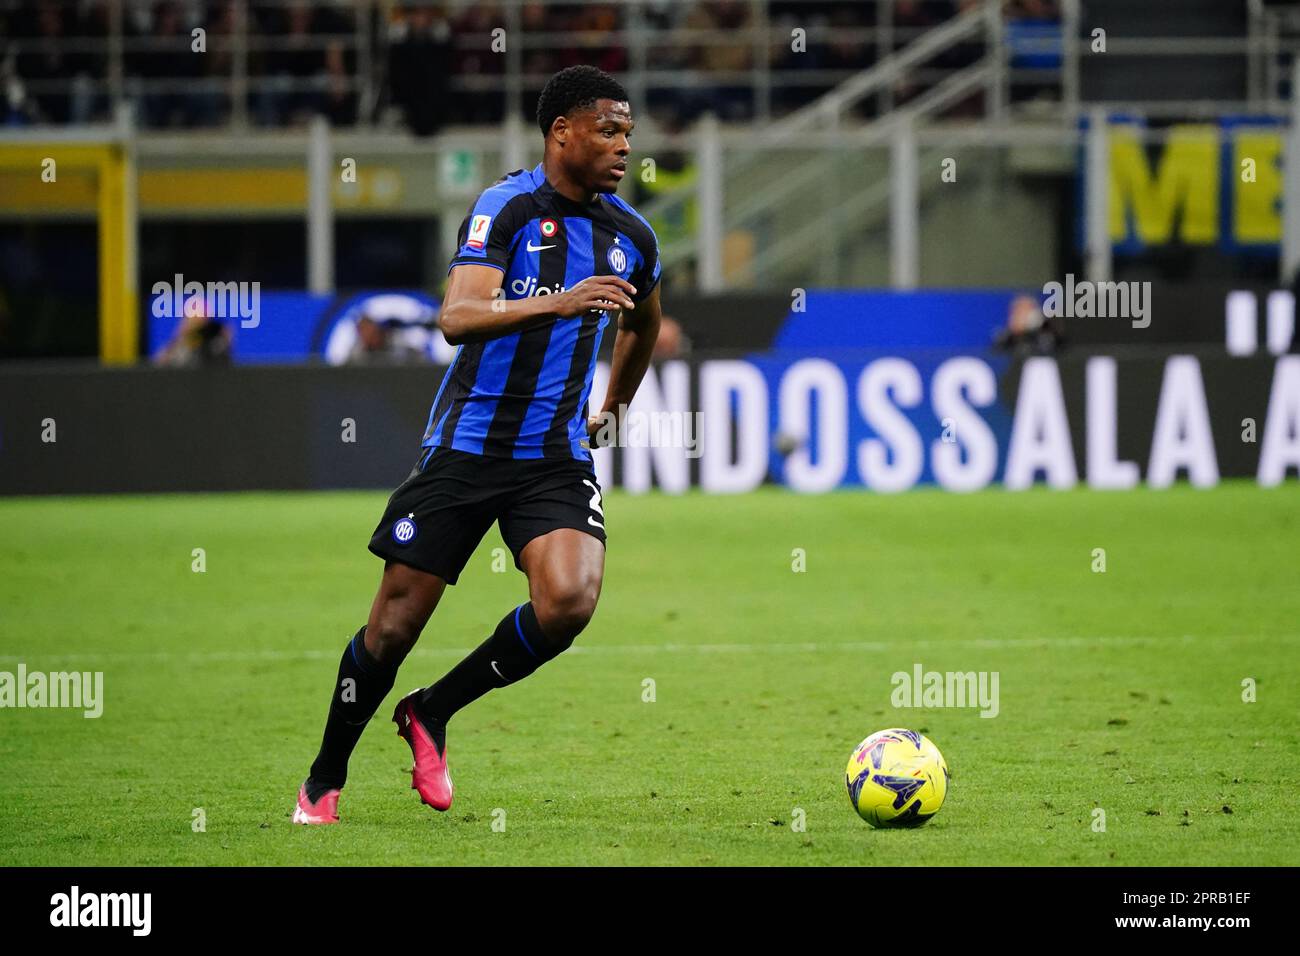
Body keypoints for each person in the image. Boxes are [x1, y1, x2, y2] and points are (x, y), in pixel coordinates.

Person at [293, 65, 663, 824]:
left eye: (628, 132)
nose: (624, 145)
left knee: (568, 600)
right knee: (391, 629)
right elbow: (456, 318)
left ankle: (432, 710)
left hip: (555, 455)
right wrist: (560, 301)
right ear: (562, 132)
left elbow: (644, 323)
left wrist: (612, 407)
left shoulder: (631, 235)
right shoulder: (508, 207)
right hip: (467, 448)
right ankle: (325, 777)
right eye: (609, 129)